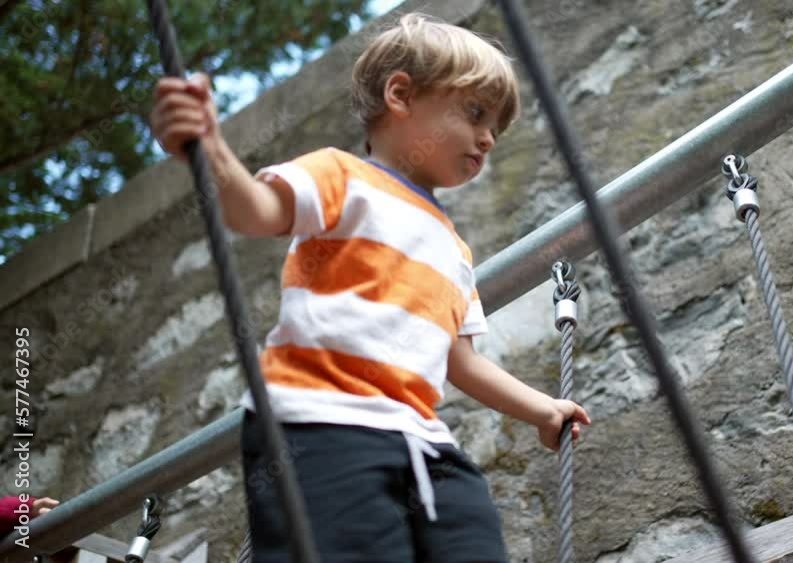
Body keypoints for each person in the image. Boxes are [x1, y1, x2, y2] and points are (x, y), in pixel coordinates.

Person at [150, 12, 591, 562]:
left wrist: (542, 409)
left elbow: (460, 361)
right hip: (321, 420)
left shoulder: (454, 249)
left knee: (474, 538)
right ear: (400, 95)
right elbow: (256, 211)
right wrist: (210, 147)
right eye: (476, 113)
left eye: (496, 131)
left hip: (422, 441)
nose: (487, 138)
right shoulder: (342, 177)